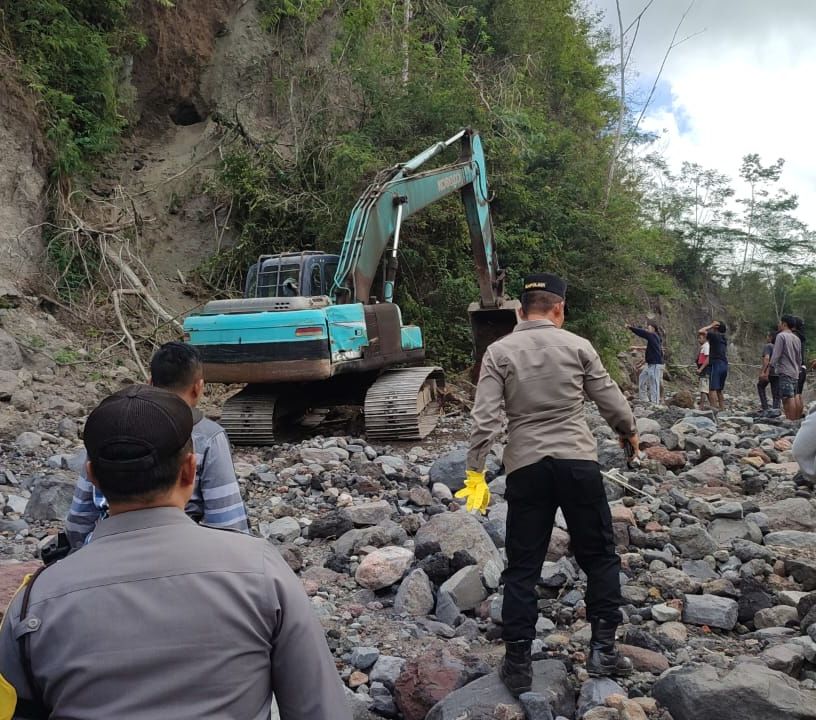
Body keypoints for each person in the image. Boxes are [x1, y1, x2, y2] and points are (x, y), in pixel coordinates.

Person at [0, 385, 351, 719]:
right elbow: (321, 710)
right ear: (190, 470)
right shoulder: (261, 570)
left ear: (91, 476)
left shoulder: (34, 600)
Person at [461, 272, 638, 696]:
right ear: (558, 309)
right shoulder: (578, 346)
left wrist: (475, 473)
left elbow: (484, 419)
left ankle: (518, 663)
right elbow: (609, 398)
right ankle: (603, 652)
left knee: (523, 567)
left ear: (520, 311)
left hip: (526, 465)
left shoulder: (499, 351)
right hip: (578, 463)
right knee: (599, 557)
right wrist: (628, 430)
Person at [64, 341, 249, 547]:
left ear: (150, 382)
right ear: (198, 388)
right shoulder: (208, 437)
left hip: (105, 547)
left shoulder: (111, 426)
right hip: (182, 549)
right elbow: (229, 525)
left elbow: (78, 522)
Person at [771, 315, 803, 420]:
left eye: (780, 323)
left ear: (784, 324)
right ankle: (795, 420)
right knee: (793, 395)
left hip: (785, 370)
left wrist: (770, 367)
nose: (778, 325)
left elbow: (776, 354)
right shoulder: (796, 338)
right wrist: (798, 369)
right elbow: (799, 357)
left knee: (787, 398)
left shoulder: (781, 336)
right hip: (795, 371)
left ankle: (790, 420)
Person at [626, 322, 664, 404]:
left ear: (653, 329)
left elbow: (642, 332)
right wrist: (641, 363)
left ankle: (655, 402)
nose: (647, 330)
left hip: (655, 363)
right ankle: (644, 399)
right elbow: (649, 352)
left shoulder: (653, 335)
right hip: (650, 363)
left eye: (648, 328)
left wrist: (630, 327)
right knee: (642, 378)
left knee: (654, 382)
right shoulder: (653, 339)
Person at [699, 320, 728, 411]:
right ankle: (722, 409)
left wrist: (711, 325)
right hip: (724, 364)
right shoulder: (724, 338)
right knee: (719, 389)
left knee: (712, 388)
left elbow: (701, 331)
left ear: (716, 327)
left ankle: (713, 409)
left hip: (716, 364)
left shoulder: (715, 336)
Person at [757, 331, 781, 415]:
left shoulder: (768, 346)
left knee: (760, 386)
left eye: (767, 336)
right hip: (778, 372)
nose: (766, 337)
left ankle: (765, 408)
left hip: (769, 371)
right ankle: (776, 411)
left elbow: (766, 359)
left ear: (771, 337)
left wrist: (762, 371)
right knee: (776, 394)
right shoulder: (779, 347)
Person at [695, 331, 710, 409]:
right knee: (705, 388)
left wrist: (701, 369)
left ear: (705, 339)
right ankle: (711, 404)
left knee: (703, 388)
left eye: (700, 338)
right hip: (702, 369)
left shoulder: (706, 346)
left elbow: (708, 358)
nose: (698, 340)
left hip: (705, 370)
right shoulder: (703, 347)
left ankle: (701, 406)